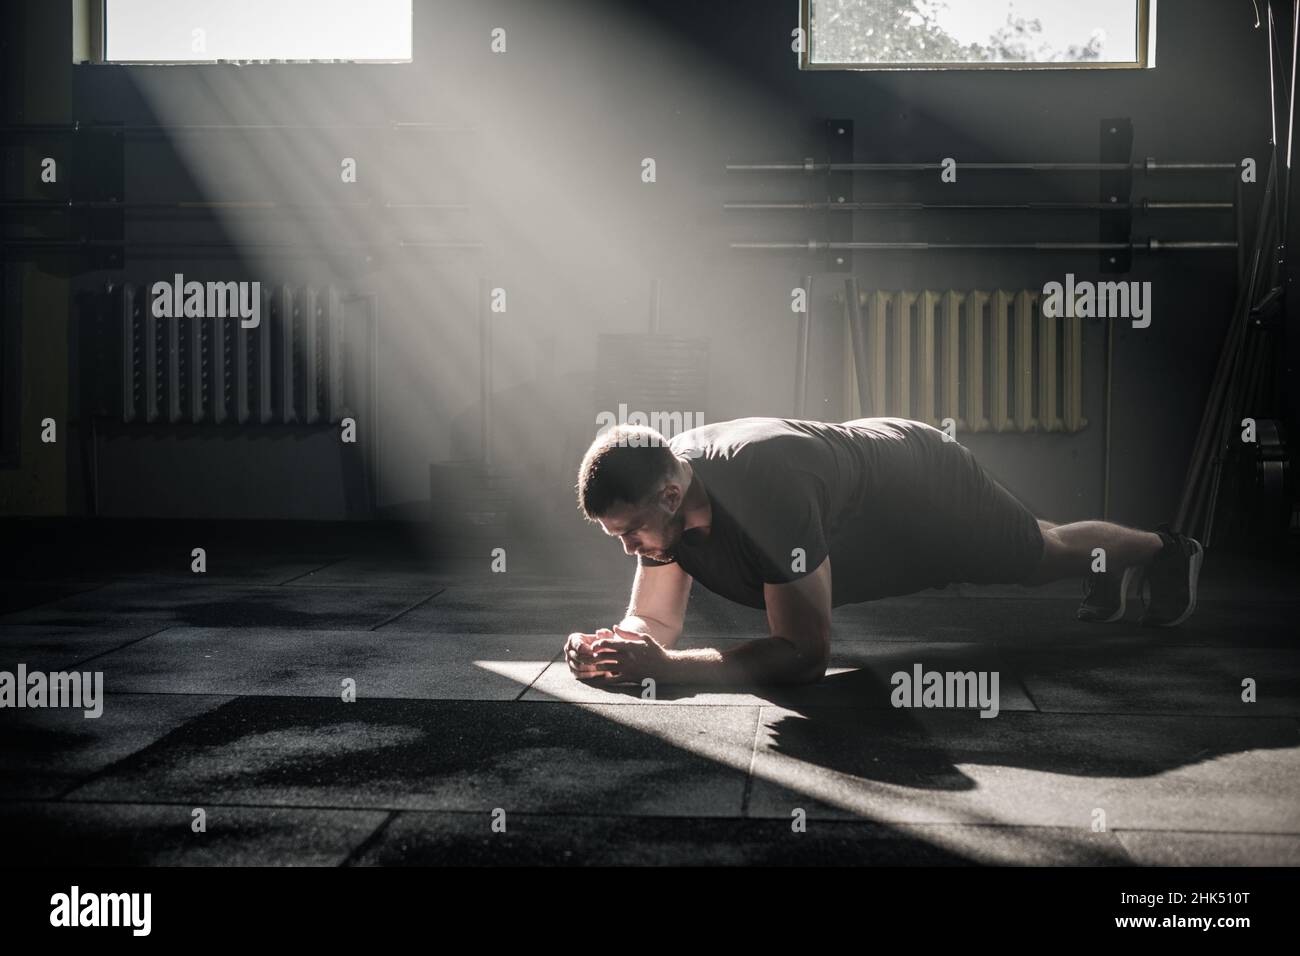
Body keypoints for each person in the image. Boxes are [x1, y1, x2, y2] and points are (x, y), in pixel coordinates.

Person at [565, 417, 1203, 687]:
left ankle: (1166, 552)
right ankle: (1111, 563)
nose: (630, 550)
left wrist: (671, 670)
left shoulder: (762, 491)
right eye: (617, 536)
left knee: (1041, 554)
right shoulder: (663, 502)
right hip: (859, 521)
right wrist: (613, 649)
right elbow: (653, 622)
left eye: (631, 532)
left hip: (926, 490)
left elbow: (805, 657)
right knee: (1045, 545)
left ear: (672, 495)